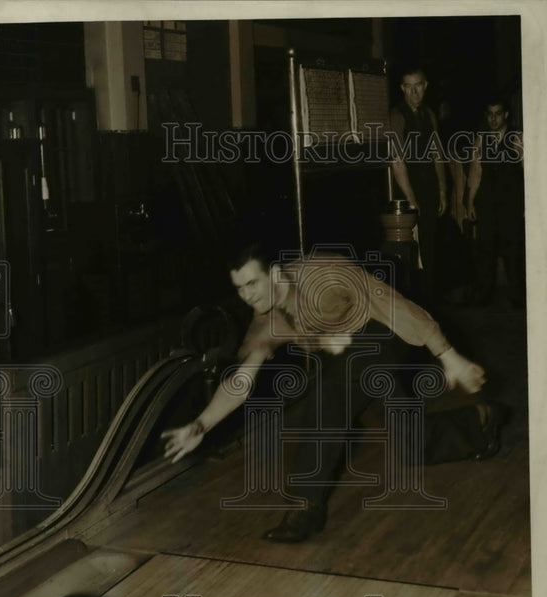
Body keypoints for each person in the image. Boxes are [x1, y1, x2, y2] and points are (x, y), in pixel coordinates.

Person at [162, 242, 508, 543]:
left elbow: (393, 305)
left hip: (384, 330)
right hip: (349, 354)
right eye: (239, 288)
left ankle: (305, 509)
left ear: (277, 274)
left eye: (252, 283)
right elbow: (242, 380)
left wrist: (450, 357)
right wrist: (201, 425)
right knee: (411, 443)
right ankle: (481, 422)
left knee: (326, 398)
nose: (247, 295)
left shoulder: (324, 273)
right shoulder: (265, 318)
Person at [389, 67, 448, 305]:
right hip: (406, 191)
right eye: (408, 87)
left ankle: (429, 300)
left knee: (429, 244)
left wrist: (443, 190)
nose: (414, 92)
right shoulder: (397, 115)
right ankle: (411, 304)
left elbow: (436, 154)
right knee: (409, 250)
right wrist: (411, 199)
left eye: (418, 86)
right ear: (402, 88)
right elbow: (397, 160)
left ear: (426, 85)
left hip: (430, 188)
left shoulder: (429, 114)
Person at [465, 98, 525, 308]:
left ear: (506, 115)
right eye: (490, 113)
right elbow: (475, 173)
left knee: (514, 253)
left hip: (511, 204)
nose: (493, 118)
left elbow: (529, 171)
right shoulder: (481, 140)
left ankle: (520, 299)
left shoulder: (517, 138)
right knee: (485, 251)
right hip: (487, 204)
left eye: (498, 113)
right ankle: (483, 296)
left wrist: (529, 204)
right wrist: (470, 203)